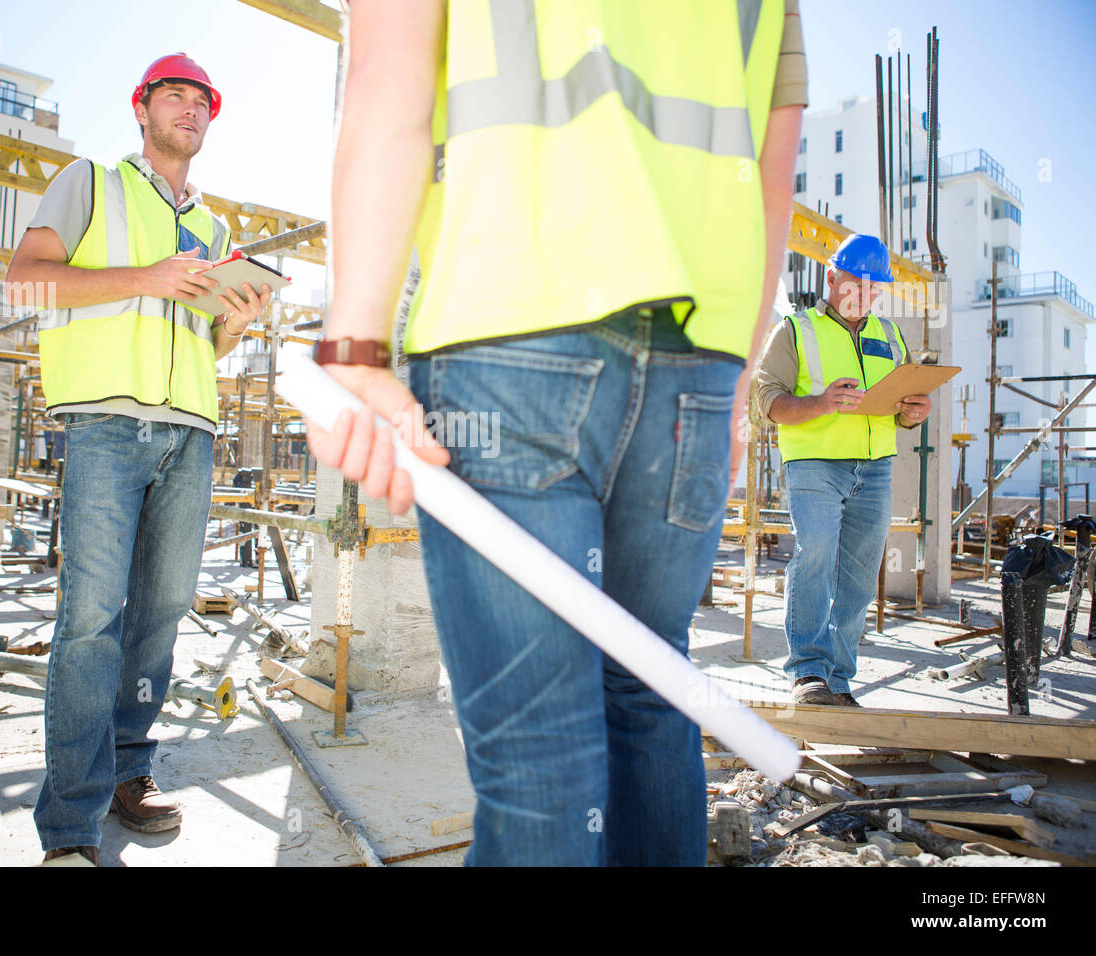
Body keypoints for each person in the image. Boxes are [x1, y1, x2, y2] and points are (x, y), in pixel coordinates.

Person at [305, 0, 806, 865]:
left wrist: (354, 344)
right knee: (651, 698)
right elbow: (774, 155)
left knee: (542, 759)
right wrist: (731, 381)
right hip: (693, 364)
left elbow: (392, 80)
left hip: (511, 323)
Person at [5, 53, 272, 866]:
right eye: (177, 96)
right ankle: (70, 827)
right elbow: (24, 285)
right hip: (106, 428)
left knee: (158, 618)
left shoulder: (219, 227)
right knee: (90, 622)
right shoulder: (92, 183)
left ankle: (130, 771)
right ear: (143, 108)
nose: (191, 109)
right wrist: (147, 276)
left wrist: (238, 322)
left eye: (203, 101)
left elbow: (209, 340)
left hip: (190, 433)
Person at [752, 233, 931, 708]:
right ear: (832, 279)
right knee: (815, 554)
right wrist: (820, 402)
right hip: (815, 463)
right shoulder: (795, 330)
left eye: (875, 289)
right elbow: (767, 401)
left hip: (874, 468)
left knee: (858, 573)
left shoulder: (890, 336)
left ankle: (838, 678)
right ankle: (808, 672)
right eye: (857, 285)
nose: (865, 297)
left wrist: (913, 412)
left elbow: (901, 408)